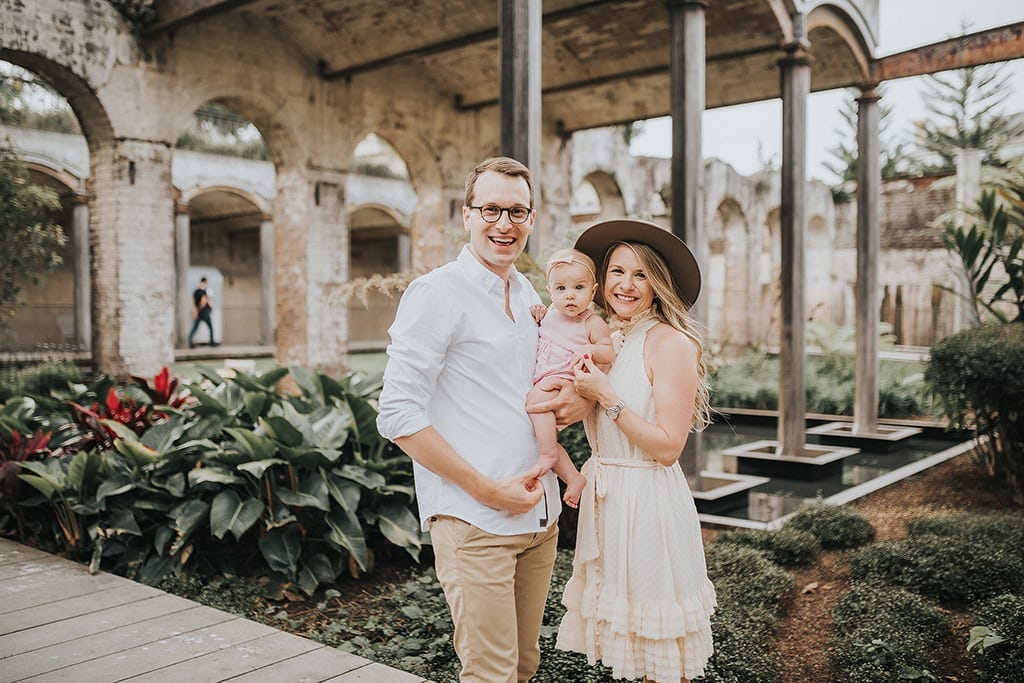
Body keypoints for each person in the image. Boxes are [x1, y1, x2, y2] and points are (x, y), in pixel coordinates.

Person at [376, 157, 591, 683]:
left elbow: (541, 383)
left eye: (517, 211)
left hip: (539, 519)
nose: (505, 223)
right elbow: (397, 414)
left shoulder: (529, 294)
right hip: (477, 522)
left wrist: (577, 401)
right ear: (467, 214)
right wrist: (486, 490)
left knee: (522, 667)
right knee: (490, 673)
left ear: (532, 220)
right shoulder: (436, 293)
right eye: (491, 209)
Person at [554, 218, 717, 682]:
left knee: (660, 655)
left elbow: (668, 448)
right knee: (627, 650)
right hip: (608, 503)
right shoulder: (607, 336)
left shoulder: (670, 342)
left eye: (641, 274)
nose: (626, 285)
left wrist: (606, 395)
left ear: (658, 284)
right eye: (617, 272)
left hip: (648, 504)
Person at [527, 248, 613, 508]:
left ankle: (547, 454)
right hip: (546, 379)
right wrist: (537, 312)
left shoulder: (591, 321)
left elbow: (608, 351)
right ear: (550, 290)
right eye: (561, 289)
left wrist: (590, 349)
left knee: (536, 408)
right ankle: (573, 478)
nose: (570, 296)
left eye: (579, 287)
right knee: (543, 438)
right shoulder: (550, 312)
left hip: (562, 380)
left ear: (593, 291)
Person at [188, 277, 217, 348]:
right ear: (204, 283)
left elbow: (193, 302)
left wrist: (195, 311)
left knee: (194, 328)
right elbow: (203, 302)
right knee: (210, 327)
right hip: (204, 312)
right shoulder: (204, 292)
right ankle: (212, 343)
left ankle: (190, 341)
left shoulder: (195, 291)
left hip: (198, 312)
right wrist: (202, 309)